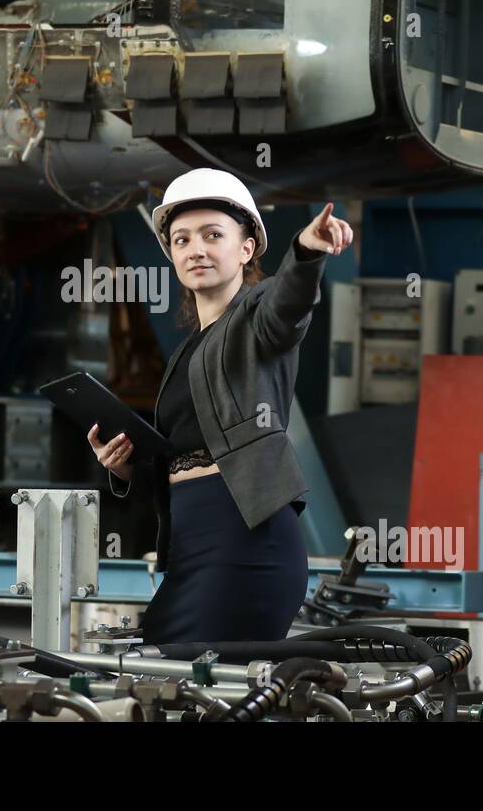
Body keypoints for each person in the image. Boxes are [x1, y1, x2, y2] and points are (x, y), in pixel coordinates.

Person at [86, 168, 352, 644]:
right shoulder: (187, 350)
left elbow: (287, 306)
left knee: (202, 684)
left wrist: (307, 252)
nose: (197, 249)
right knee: (171, 684)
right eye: (182, 240)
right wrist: (124, 468)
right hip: (191, 541)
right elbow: (179, 458)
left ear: (246, 248)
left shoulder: (257, 317)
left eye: (213, 235)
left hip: (246, 539)